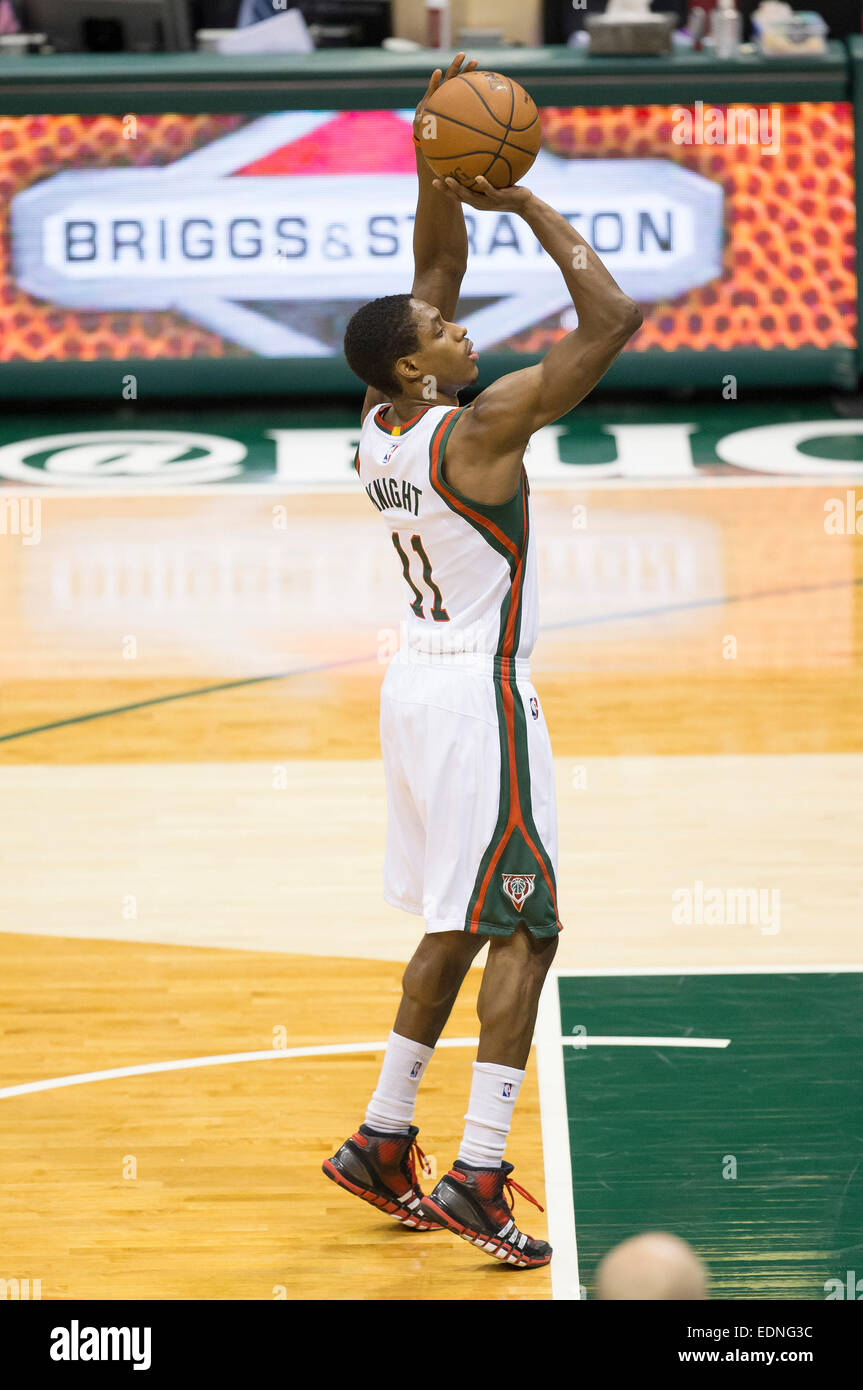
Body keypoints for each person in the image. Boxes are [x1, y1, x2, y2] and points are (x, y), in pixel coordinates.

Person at [323, 54, 642, 1269]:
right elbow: (610, 322)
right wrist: (526, 200)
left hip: (415, 688)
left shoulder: (380, 421)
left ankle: (380, 1142)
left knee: (455, 927)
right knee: (529, 929)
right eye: (444, 332)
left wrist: (432, 150)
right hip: (478, 697)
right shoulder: (482, 424)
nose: (458, 322)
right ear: (420, 368)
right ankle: (475, 1170)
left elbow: (429, 271)